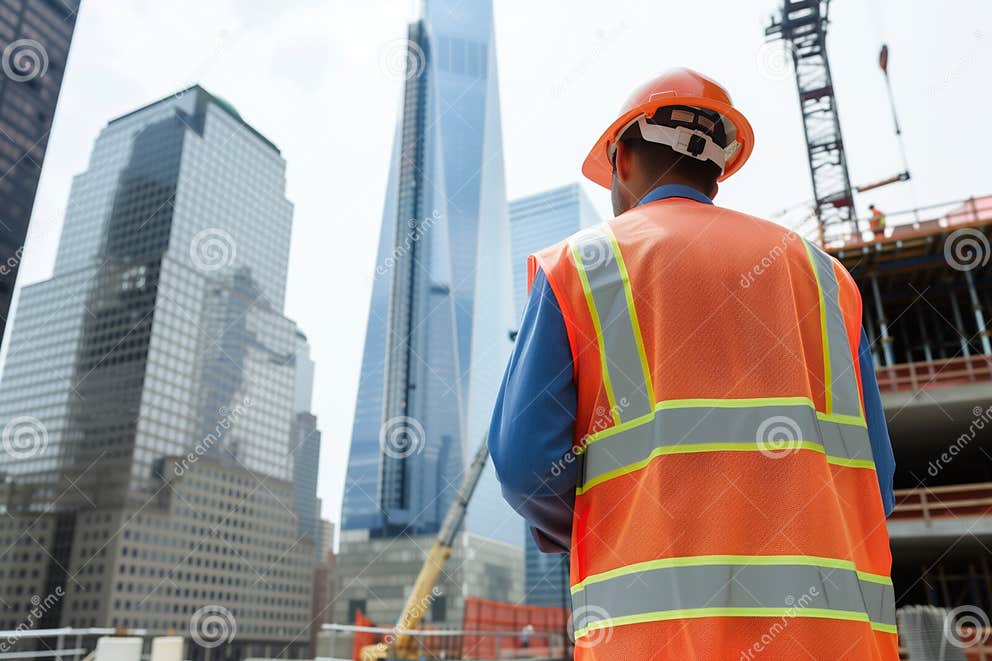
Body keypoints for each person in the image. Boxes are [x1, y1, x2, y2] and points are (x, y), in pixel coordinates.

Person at [488, 69, 897, 660]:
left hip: (653, 644)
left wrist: (587, 524)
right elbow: (875, 482)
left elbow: (526, 469)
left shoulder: (582, 266)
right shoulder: (827, 278)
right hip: (837, 643)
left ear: (622, 159)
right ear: (720, 171)